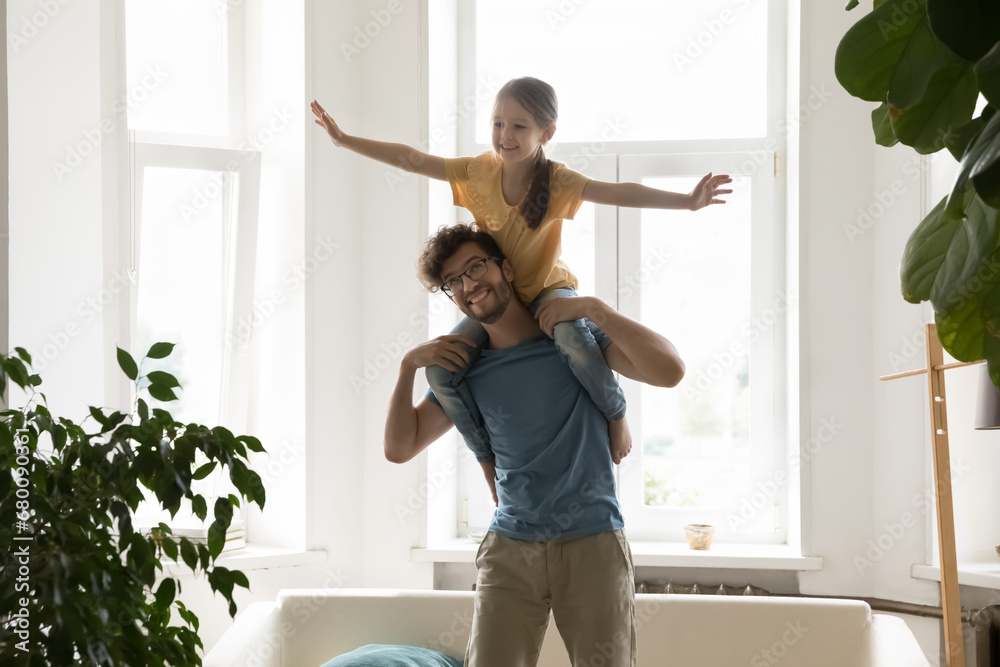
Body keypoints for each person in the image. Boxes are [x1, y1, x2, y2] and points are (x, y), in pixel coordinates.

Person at [313, 76, 727, 484]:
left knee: (570, 339)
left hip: (549, 292)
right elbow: (414, 160)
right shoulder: (478, 173)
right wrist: (344, 140)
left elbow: (621, 192)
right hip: (503, 300)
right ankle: (487, 461)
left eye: (518, 126)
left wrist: (688, 203)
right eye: (497, 123)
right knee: (439, 373)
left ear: (546, 132)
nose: (504, 134)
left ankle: (616, 416)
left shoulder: (559, 182)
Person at [384, 223, 685, 667]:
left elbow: (670, 371)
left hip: (592, 543)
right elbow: (399, 448)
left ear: (505, 267)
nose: (469, 285)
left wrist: (597, 310)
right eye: (454, 282)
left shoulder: (573, 343)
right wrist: (408, 367)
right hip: (510, 548)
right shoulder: (466, 369)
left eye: (476, 267)